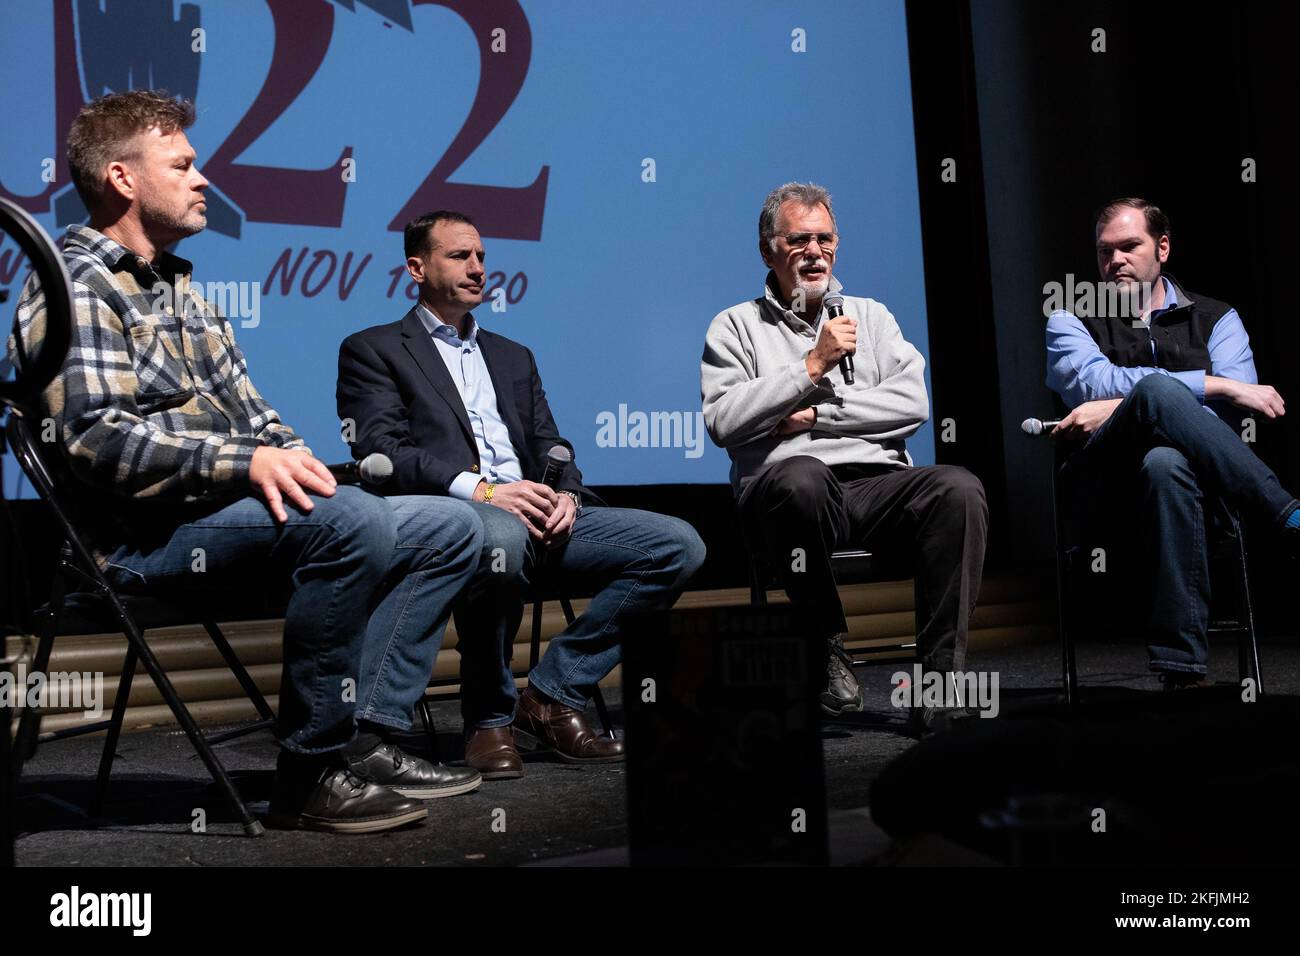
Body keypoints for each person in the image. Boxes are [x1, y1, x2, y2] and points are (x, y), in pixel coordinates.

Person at [9, 90, 485, 833]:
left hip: (222, 517)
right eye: (184, 165)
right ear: (123, 180)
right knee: (353, 522)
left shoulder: (187, 293)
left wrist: (290, 457)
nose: (203, 179)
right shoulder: (72, 284)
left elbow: (258, 416)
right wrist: (246, 462)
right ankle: (308, 772)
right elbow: (98, 439)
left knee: (450, 527)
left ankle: (366, 734)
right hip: (137, 543)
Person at [336, 211, 706, 777]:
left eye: (481, 257)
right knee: (500, 536)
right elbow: (382, 454)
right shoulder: (374, 349)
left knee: (679, 544)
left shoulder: (513, 355)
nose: (478, 268)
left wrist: (567, 498)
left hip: (539, 514)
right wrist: (482, 491)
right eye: (460, 256)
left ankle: (553, 695)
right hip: (456, 520)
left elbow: (551, 446)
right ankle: (488, 718)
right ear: (417, 267)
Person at [701, 182, 988, 732]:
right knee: (802, 478)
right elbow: (725, 421)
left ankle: (941, 687)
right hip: (786, 495)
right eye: (798, 239)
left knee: (959, 488)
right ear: (768, 250)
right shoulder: (734, 325)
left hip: (875, 485)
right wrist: (811, 366)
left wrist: (815, 416)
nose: (814, 251)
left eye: (824, 239)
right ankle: (823, 642)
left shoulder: (871, 317)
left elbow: (913, 403)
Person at [1046, 197, 1299, 687]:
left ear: (1162, 248)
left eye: (1128, 247)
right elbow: (1093, 384)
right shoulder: (1069, 319)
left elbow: (1237, 413)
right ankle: (1286, 516)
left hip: (1199, 485)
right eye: (1104, 251)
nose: (1114, 260)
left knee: (1165, 462)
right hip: (1102, 485)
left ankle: (1180, 667)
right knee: (1156, 392)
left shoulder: (1219, 318)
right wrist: (1212, 384)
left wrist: (1126, 405)